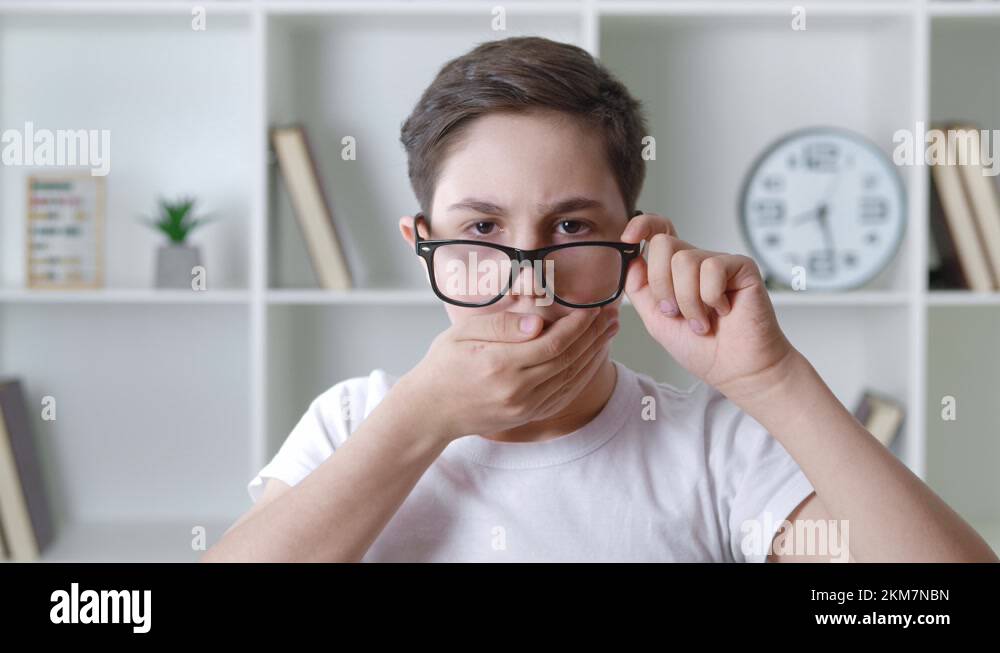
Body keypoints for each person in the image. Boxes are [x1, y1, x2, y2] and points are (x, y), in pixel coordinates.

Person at [201, 36, 997, 563]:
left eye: (571, 225)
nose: (529, 280)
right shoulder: (354, 421)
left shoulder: (711, 451)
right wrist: (422, 419)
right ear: (421, 245)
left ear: (635, 243)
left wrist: (775, 380)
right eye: (482, 226)